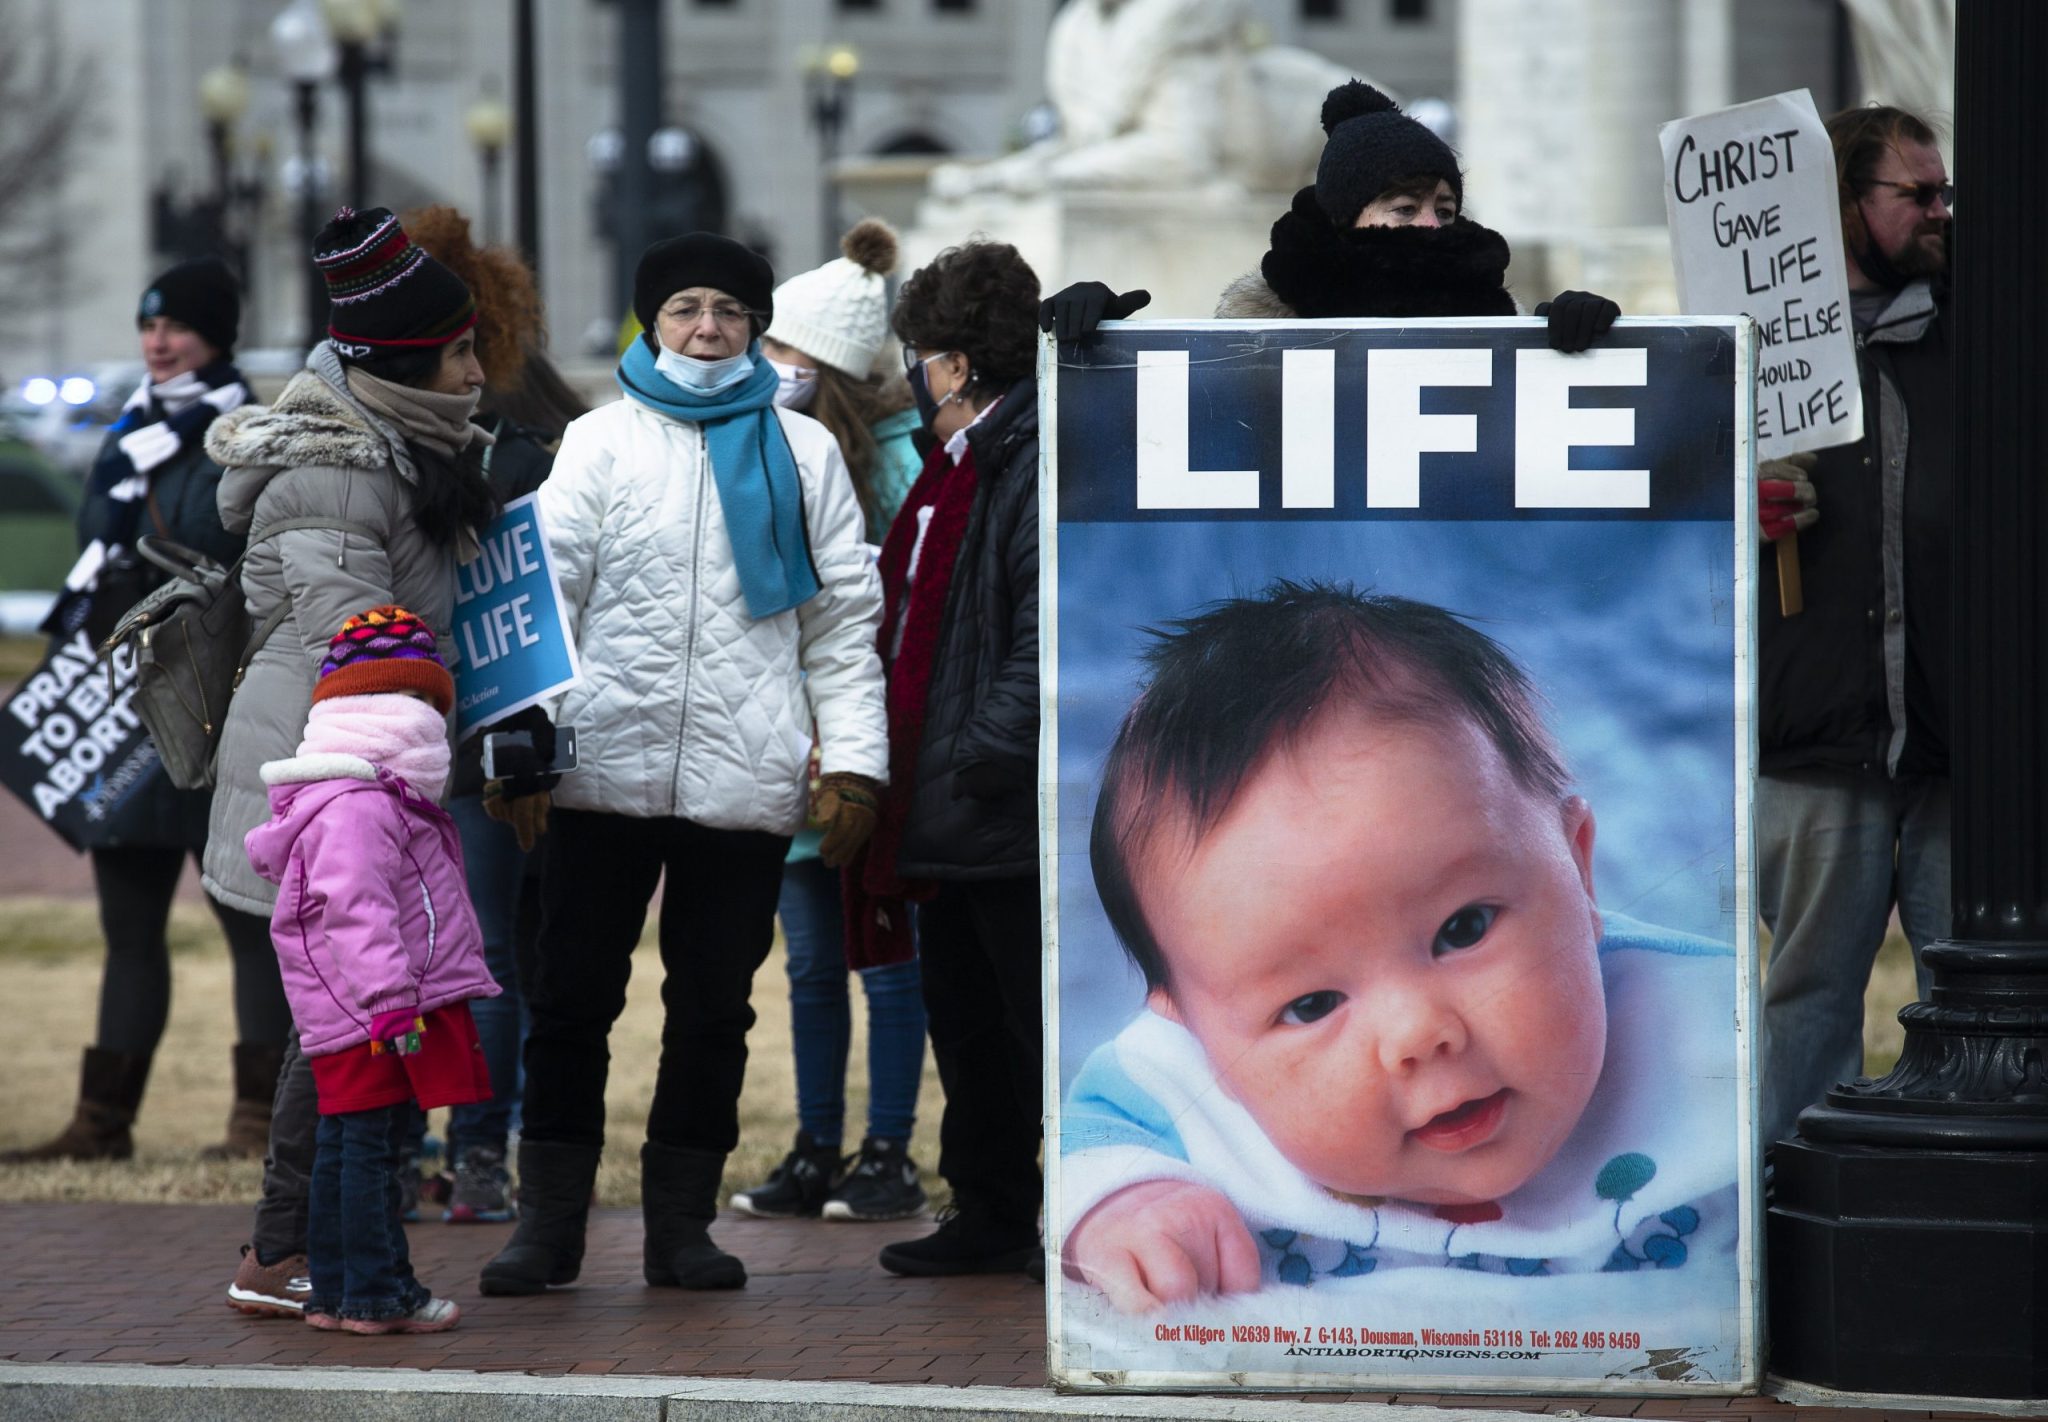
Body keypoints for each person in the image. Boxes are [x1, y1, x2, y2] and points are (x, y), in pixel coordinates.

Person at [1062, 583, 1738, 1312]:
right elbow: (1092, 1148)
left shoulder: (1703, 1021)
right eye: (1312, 1004)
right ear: (1194, 1030)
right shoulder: (1171, 1090)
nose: (1419, 1033)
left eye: (1464, 929)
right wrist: (1124, 1206)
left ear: (1577, 870)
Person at [479, 232, 889, 1296]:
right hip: (597, 776)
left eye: (726, 309)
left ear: (755, 325)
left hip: (742, 785)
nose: (706, 327)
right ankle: (549, 1228)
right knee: (570, 1001)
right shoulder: (600, 442)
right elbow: (543, 599)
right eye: (683, 308)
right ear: (649, 323)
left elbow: (840, 626)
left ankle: (679, 1231)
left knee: (713, 1013)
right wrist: (518, 747)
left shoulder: (802, 455)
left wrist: (851, 764)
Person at [205, 205, 496, 1318]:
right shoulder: (333, 472)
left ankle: (296, 1250)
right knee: (334, 1031)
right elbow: (360, 641)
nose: (477, 373)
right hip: (323, 781)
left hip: (368, 774)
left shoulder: (406, 443)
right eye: (462, 353)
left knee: (327, 1025)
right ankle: (289, 1253)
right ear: (408, 360)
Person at [2, 259, 293, 1165]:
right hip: (127, 709)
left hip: (212, 703)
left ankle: (257, 1126)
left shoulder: (242, 427)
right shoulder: (132, 430)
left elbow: (225, 541)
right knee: (127, 927)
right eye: (148, 326)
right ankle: (101, 1125)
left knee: (245, 917)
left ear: (217, 334)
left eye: (176, 328)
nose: (158, 342)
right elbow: (98, 537)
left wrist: (148, 562)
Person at [846, 240, 1045, 1280]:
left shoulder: (1023, 459)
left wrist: (983, 753)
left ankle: (1042, 1210)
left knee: (1024, 1027)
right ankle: (991, 1208)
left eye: (920, 353)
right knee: (964, 1024)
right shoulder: (956, 466)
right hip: (948, 801)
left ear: (956, 363)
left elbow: (1036, 628)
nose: (914, 373)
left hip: (991, 802)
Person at [1754, 105, 1953, 1148]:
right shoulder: (1750, 355)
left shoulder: (1982, 329)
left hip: (1957, 748)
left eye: (1940, 191)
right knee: (1804, 1002)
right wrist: (1736, 498)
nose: (1937, 211)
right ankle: (1785, 1248)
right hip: (1812, 739)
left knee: (1978, 1012)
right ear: (1840, 206)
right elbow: (1674, 515)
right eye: (1912, 194)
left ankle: (1962, 1227)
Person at [730, 217, 931, 1224]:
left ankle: (887, 1150)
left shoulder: (900, 467)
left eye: (785, 352)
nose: (769, 367)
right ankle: (816, 1146)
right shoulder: (772, 449)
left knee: (886, 957)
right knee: (809, 963)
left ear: (835, 370)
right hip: (787, 747)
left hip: (870, 752)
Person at [399, 203, 589, 1224]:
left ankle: (474, 1149)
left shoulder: (524, 424)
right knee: (420, 945)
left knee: (481, 949)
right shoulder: (372, 415)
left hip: (481, 727)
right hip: (395, 721)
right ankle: (414, 1145)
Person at [243, 606, 498, 1334]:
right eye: (423, 703)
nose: (431, 720)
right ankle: (380, 1293)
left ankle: (334, 1291)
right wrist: (392, 1003)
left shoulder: (358, 797)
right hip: (376, 1012)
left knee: (347, 1144)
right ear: (392, 710)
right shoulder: (359, 804)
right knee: (377, 1149)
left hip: (355, 1008)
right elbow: (356, 908)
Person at [1039, 81, 1620, 348]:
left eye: (1444, 210)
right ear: (1346, 218)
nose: (1430, 226)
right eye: (1403, 207)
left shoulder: (1500, 323)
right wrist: (1095, 348)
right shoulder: (1257, 325)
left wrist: (1584, 346)